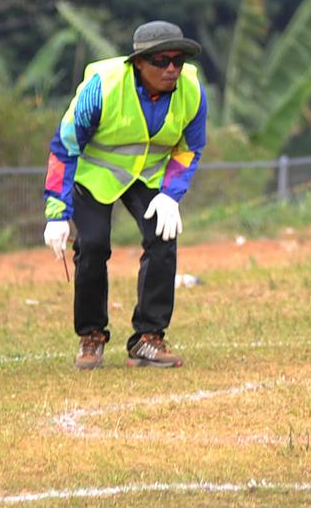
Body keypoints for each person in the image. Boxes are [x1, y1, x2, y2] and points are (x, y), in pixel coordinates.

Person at [43, 21, 207, 370]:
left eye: (178, 60)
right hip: (94, 175)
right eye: (161, 60)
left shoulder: (192, 90)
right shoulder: (102, 88)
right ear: (139, 63)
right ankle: (91, 336)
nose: (172, 68)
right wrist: (56, 212)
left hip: (149, 175)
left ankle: (149, 338)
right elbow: (64, 147)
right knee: (92, 244)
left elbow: (189, 149)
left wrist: (170, 195)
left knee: (163, 239)